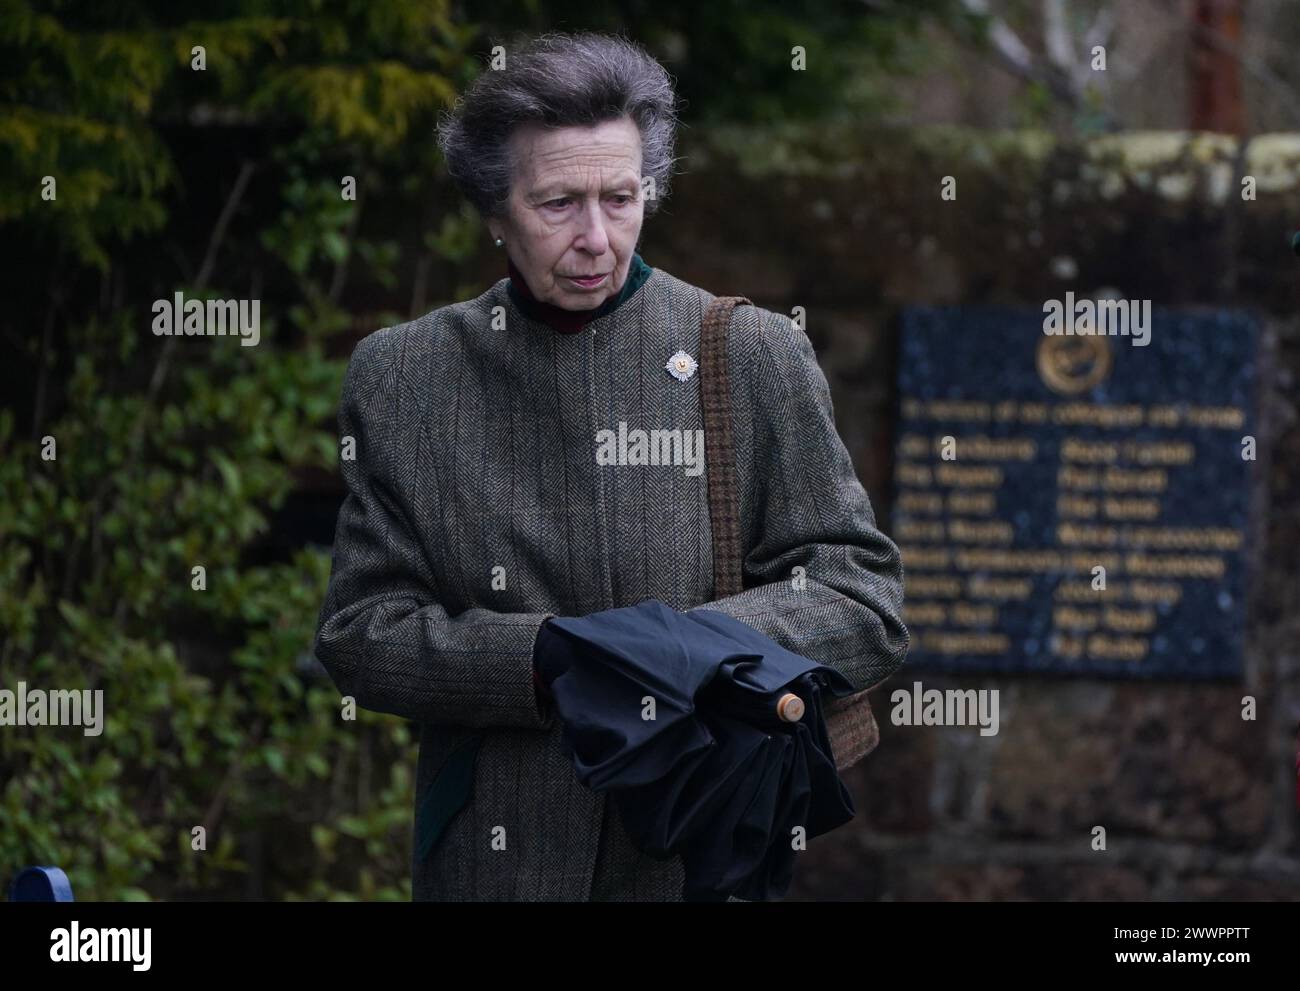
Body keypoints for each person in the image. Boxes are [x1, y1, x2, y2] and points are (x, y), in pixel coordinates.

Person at [313, 31, 909, 902]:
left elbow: (862, 600)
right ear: (494, 211)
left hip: (692, 846)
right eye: (558, 203)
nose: (597, 237)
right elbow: (362, 634)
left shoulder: (752, 353)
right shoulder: (406, 374)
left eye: (621, 198)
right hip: (491, 858)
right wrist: (546, 658)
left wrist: (677, 650)